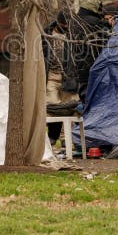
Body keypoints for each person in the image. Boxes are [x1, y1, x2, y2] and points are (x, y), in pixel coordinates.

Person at [69, 0, 112, 106]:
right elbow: (108, 42)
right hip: (93, 72)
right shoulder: (94, 23)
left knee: (86, 105)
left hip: (79, 70)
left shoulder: (74, 21)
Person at [42, 9, 78, 145]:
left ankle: (66, 140)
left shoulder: (73, 35)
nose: (66, 28)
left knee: (69, 109)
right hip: (51, 76)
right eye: (64, 25)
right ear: (58, 23)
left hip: (68, 78)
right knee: (52, 108)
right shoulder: (46, 34)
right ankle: (53, 137)